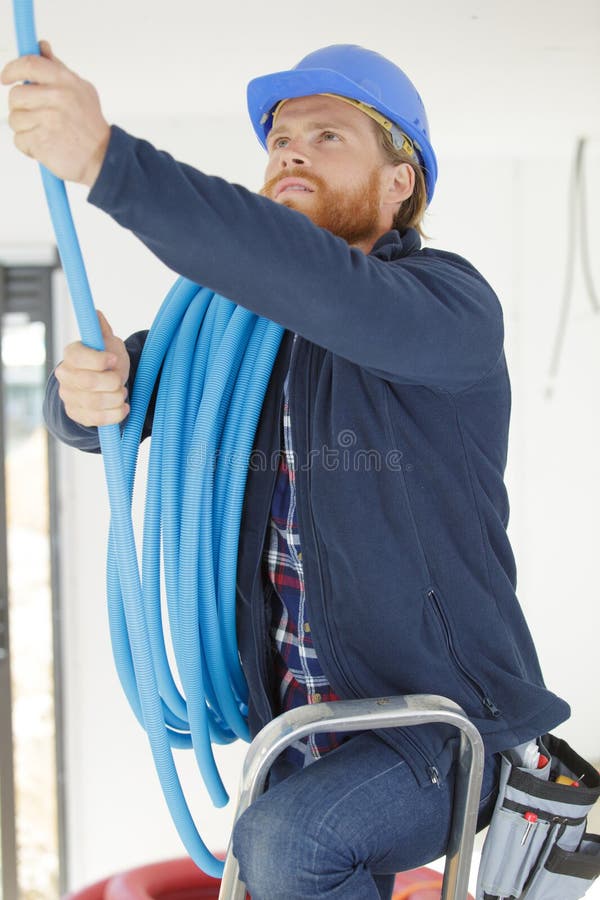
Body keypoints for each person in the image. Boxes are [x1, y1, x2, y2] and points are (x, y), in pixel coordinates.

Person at [2, 42, 570, 900]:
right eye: (279, 140)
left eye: (327, 135)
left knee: (292, 842)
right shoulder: (237, 336)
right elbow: (116, 410)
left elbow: (318, 285)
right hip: (298, 732)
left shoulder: (443, 309)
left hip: (439, 734)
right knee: (285, 845)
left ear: (399, 182)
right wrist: (81, 398)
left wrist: (108, 162)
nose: (291, 149)